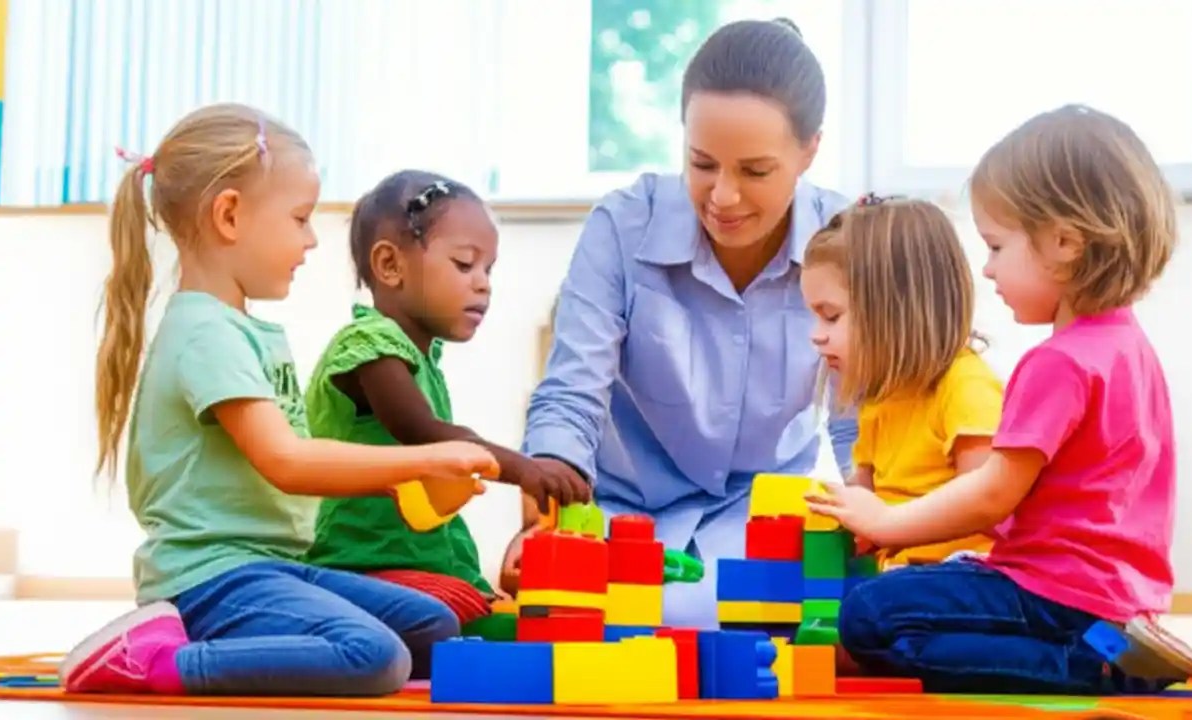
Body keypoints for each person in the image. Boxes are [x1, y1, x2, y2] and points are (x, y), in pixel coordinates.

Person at [60, 104, 500, 697]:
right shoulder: (204, 334)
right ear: (230, 215)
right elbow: (287, 462)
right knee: (372, 657)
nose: (313, 240)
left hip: (270, 563)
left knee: (430, 624)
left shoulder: (238, 329)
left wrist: (416, 473)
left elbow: (295, 457)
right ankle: (157, 665)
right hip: (213, 578)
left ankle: (223, 647)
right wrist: (421, 462)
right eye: (299, 218)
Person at [806, 104, 1192, 693]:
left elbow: (992, 494)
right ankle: (1104, 647)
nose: (987, 271)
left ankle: (1090, 665)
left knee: (869, 616)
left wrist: (891, 522)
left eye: (996, 247)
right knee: (897, 611)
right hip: (1112, 595)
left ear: (1065, 242)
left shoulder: (1058, 363)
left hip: (1054, 594)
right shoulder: (1131, 349)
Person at [505, 17, 858, 628]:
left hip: (761, 521)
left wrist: (890, 528)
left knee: (810, 624)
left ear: (809, 151)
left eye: (754, 171)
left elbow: (862, 418)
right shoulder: (621, 226)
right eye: (702, 163)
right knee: (606, 625)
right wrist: (547, 521)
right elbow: (571, 394)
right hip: (622, 511)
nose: (722, 196)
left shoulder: (848, 241)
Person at [301, 170, 589, 628]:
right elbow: (426, 435)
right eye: (464, 264)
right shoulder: (366, 349)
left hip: (427, 564)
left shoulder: (422, 359)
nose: (483, 284)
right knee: (494, 630)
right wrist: (524, 470)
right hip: (363, 565)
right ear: (390, 265)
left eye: (488, 269)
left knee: (543, 626)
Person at [799, 195, 1004, 570]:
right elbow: (863, 495)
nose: (817, 335)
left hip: (963, 574)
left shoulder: (965, 387)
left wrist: (888, 526)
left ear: (896, 309)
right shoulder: (881, 400)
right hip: (899, 578)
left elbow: (988, 503)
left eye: (830, 317)